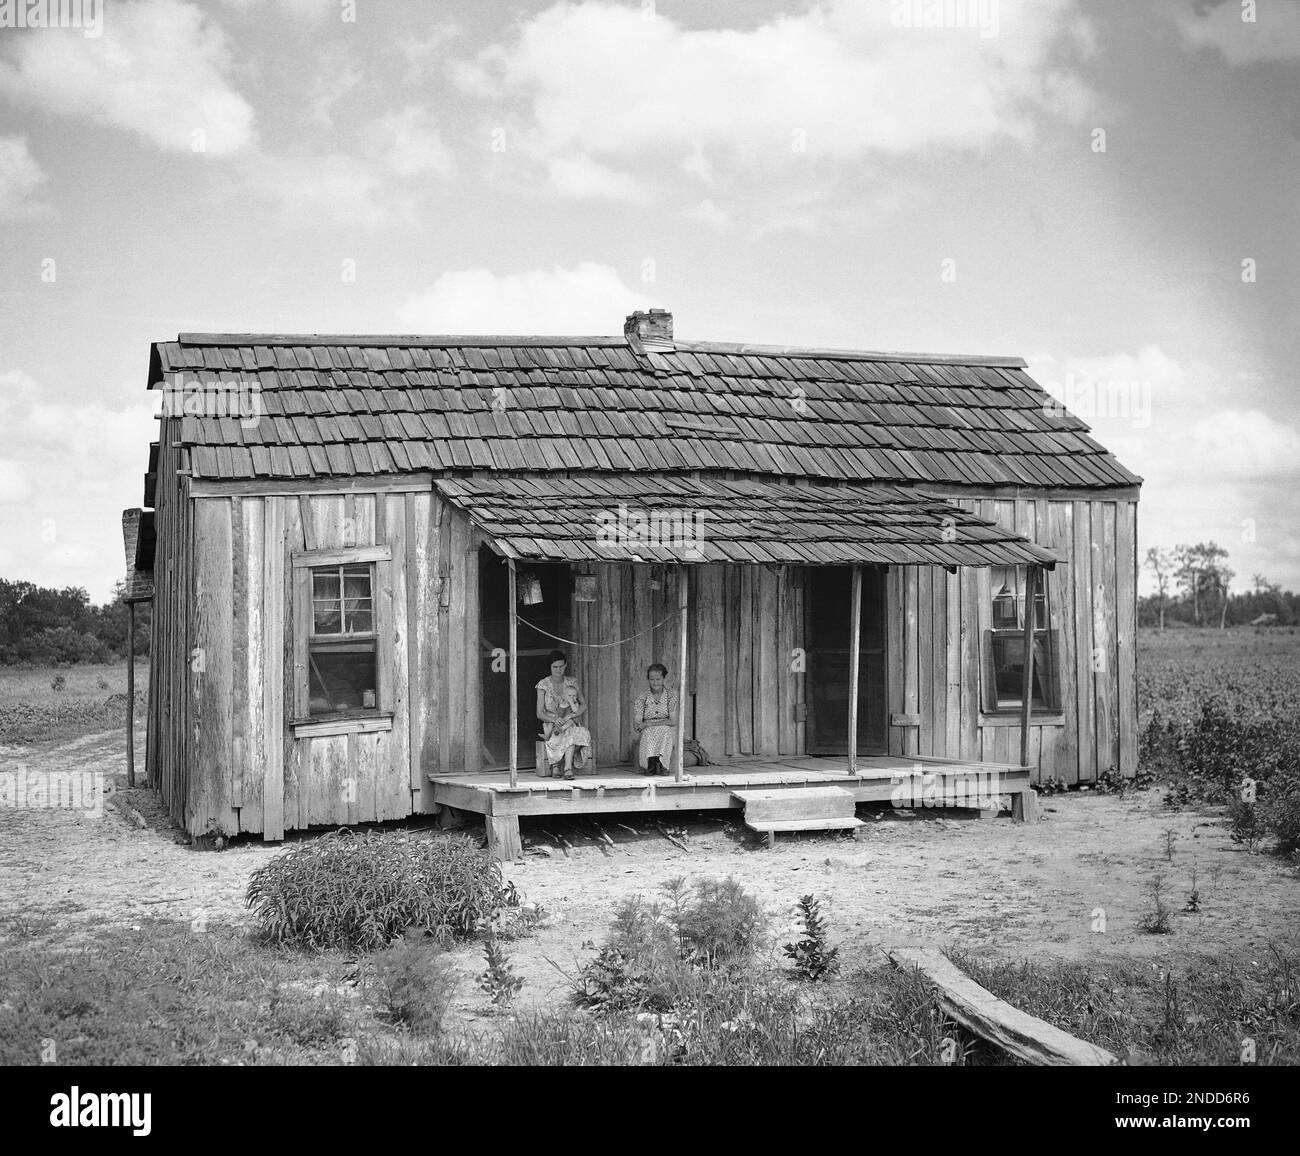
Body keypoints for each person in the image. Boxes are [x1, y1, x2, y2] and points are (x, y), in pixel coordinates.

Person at [535, 650, 591, 779]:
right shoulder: (543, 684)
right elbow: (539, 713)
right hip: (551, 723)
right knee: (556, 734)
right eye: (555, 667)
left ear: (565, 665)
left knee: (571, 732)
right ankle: (556, 765)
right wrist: (554, 720)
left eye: (561, 666)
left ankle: (566, 769)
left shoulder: (572, 682)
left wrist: (570, 716)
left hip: (570, 721)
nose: (558, 670)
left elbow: (583, 705)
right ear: (550, 667)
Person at [630, 662, 678, 776]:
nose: (655, 682)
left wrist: (648, 724)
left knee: (665, 730)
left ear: (663, 679)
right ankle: (650, 764)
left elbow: (673, 721)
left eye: (658, 679)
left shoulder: (671, 696)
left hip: (667, 727)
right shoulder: (642, 697)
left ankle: (663, 764)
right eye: (652, 679)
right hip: (647, 729)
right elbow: (638, 723)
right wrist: (640, 724)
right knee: (648, 732)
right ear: (648, 680)